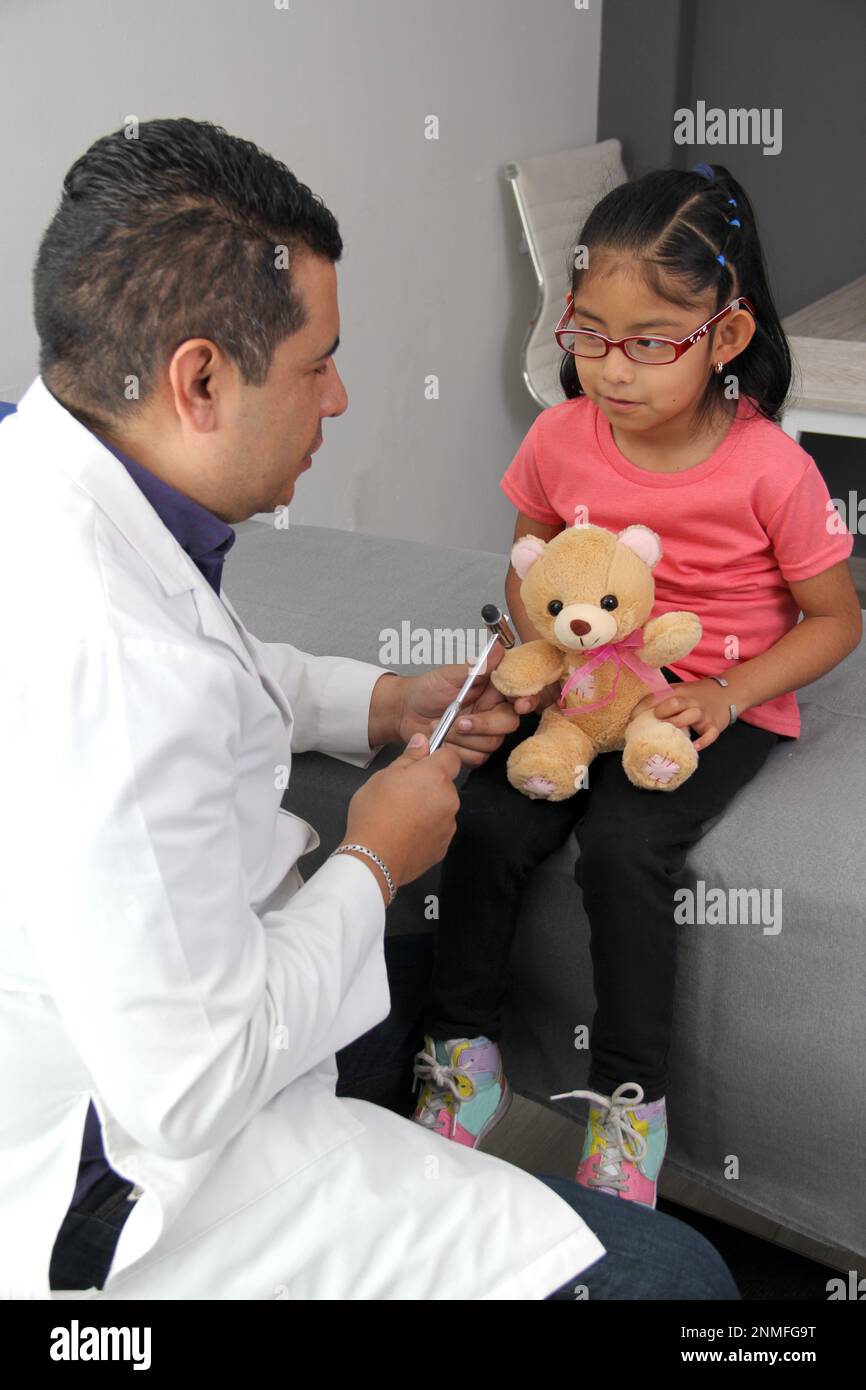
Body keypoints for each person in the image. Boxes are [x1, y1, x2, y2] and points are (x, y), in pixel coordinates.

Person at [0, 119, 739, 1301]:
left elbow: (227, 663)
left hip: (133, 997)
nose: (339, 398)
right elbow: (187, 1091)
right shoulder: (107, 661)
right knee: (680, 1284)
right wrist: (374, 856)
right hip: (138, 1185)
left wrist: (388, 699)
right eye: (316, 364)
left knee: (407, 976)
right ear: (198, 379)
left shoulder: (50, 477)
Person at [412, 163, 861, 1209]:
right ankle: (460, 1056)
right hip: (583, 686)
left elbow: (835, 618)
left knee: (621, 849)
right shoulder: (557, 436)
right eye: (587, 334)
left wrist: (729, 694)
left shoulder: (767, 470)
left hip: (698, 697)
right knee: (481, 818)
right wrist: (529, 664)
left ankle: (624, 1108)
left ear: (726, 338)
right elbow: (526, 557)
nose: (613, 369)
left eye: (652, 341)